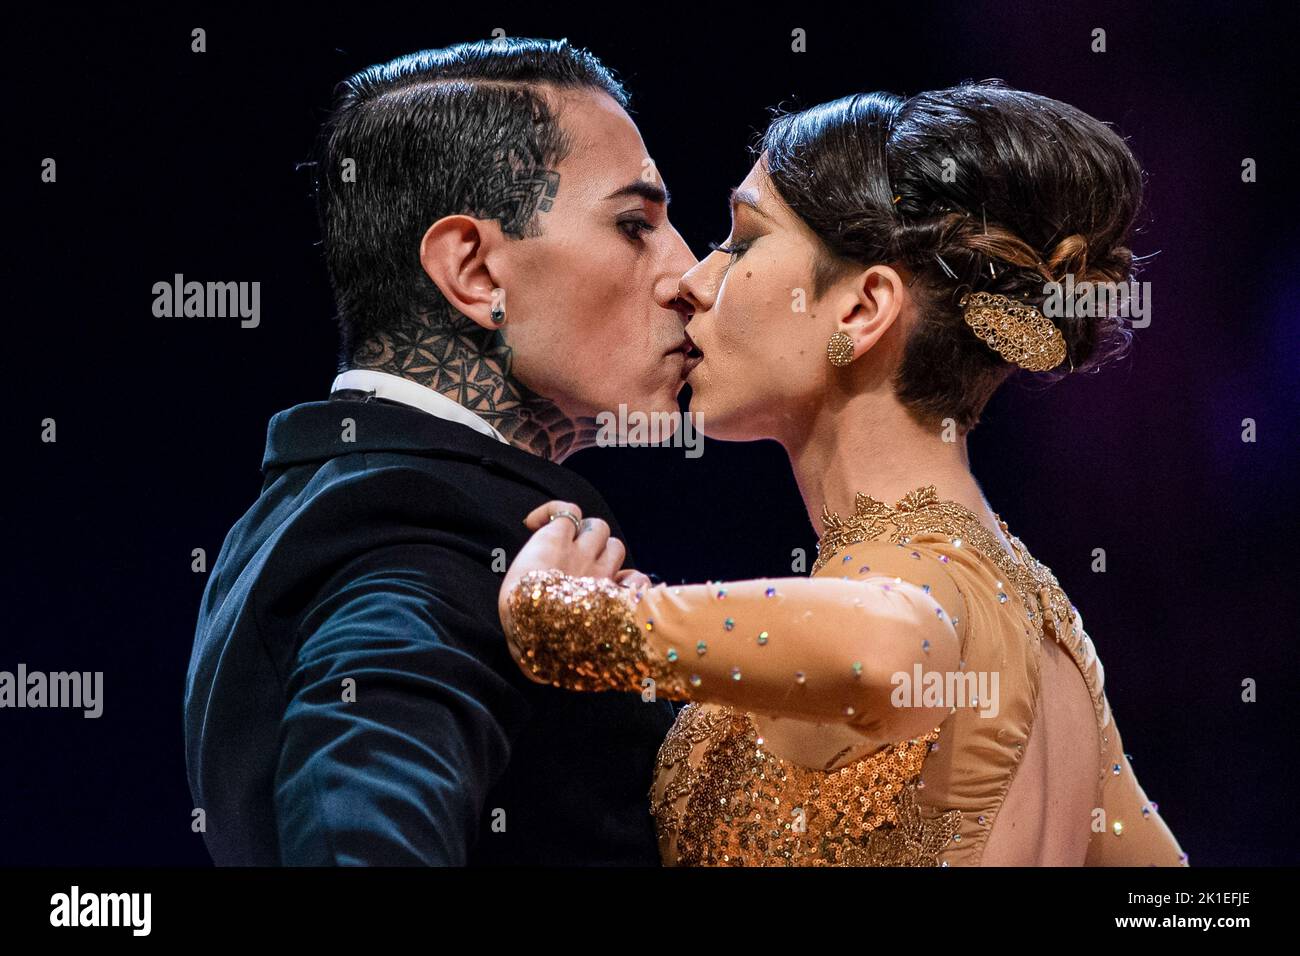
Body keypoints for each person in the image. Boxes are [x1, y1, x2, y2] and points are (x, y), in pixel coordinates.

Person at [499, 80, 1188, 866]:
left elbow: (892, 648)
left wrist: (565, 616)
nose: (693, 281)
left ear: (862, 311)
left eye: (744, 240)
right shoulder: (1053, 636)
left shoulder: (920, 587)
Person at [184, 38, 698, 865]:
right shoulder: (423, 540)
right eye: (634, 224)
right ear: (474, 271)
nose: (689, 274)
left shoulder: (327, 505)